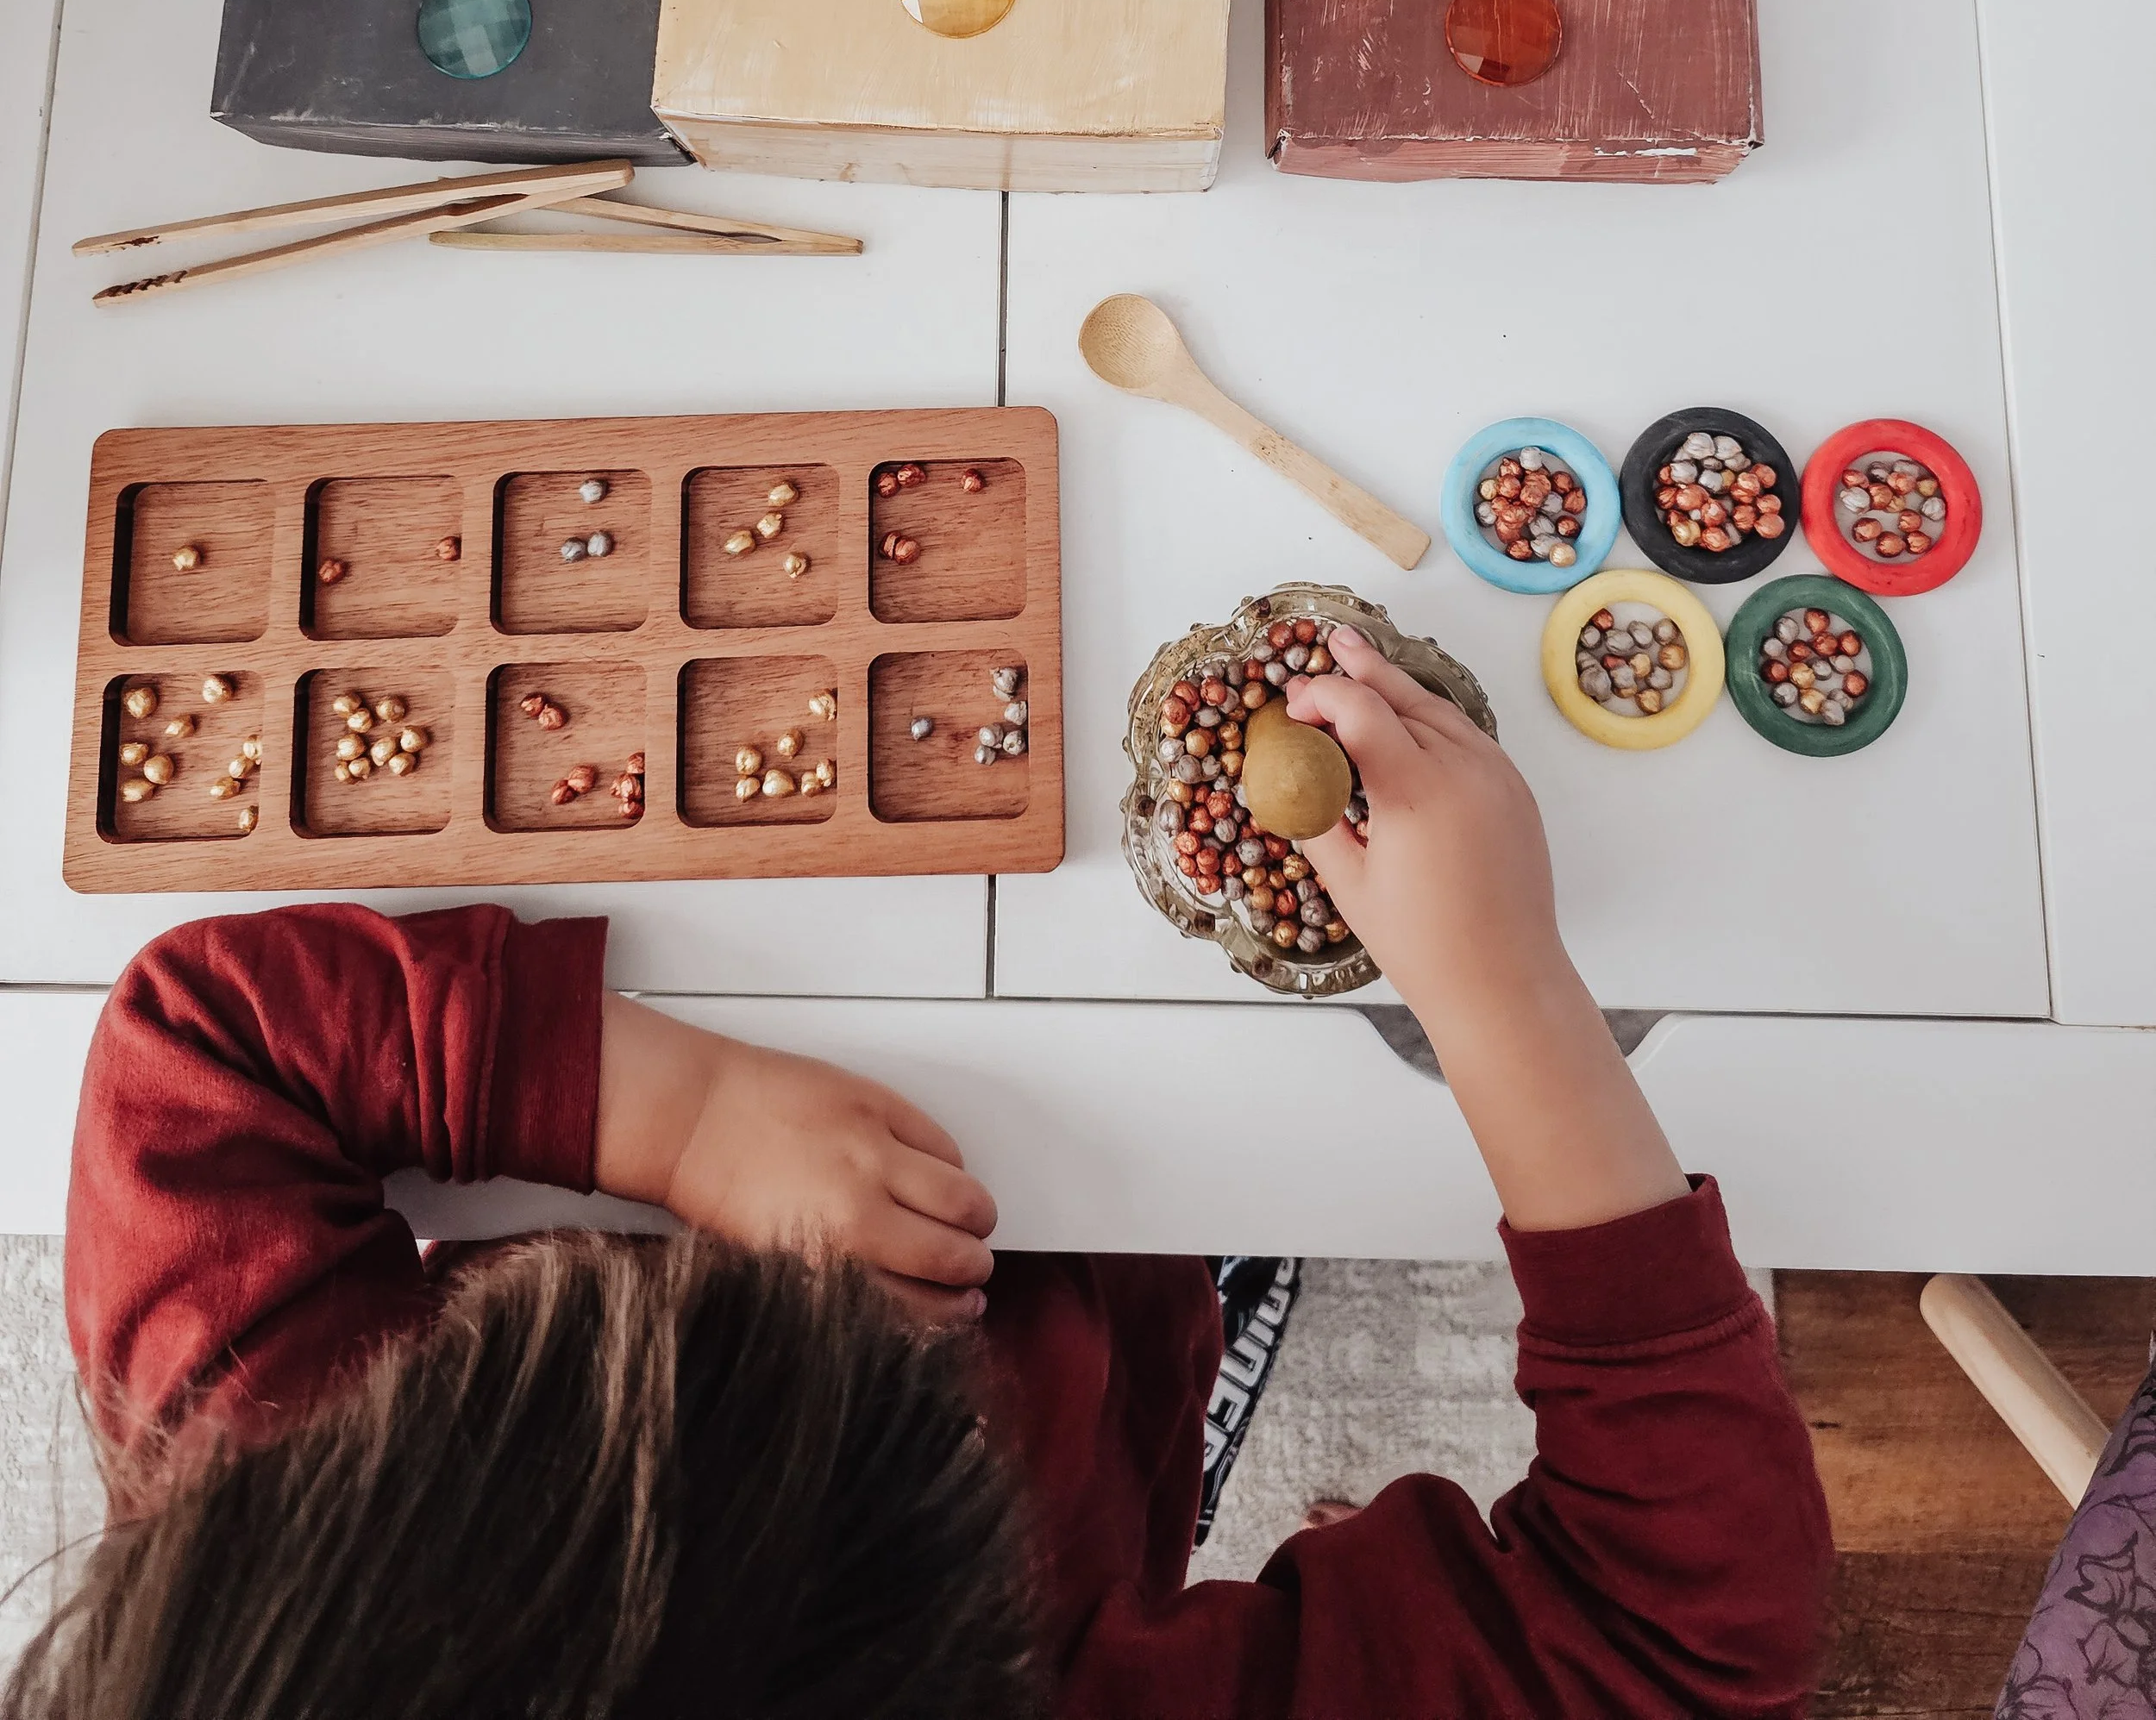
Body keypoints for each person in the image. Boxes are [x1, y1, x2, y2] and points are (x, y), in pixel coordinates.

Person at [8, 628, 1831, 1719]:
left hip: (922, 1246)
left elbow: (200, 1056)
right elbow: (1684, 1634)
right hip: (1098, 1341)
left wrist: (679, 1118)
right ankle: (1193, 1318)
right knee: (1163, 1267)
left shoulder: (289, 1519)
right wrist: (1504, 990)